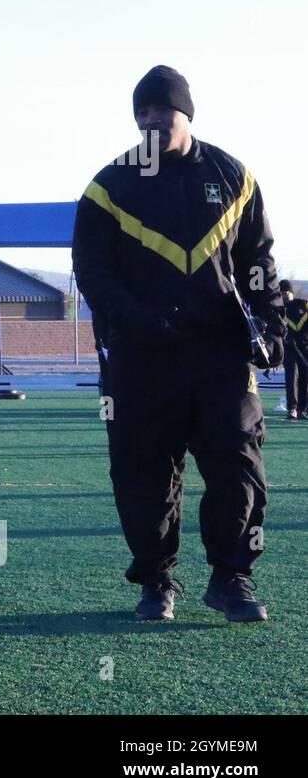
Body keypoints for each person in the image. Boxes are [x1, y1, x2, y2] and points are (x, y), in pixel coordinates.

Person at [72, 65, 284, 623]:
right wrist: (137, 322)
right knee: (143, 477)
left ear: (186, 114)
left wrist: (271, 323)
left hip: (220, 358)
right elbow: (93, 274)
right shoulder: (107, 187)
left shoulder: (234, 177)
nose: (151, 122)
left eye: (161, 112)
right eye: (141, 113)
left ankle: (231, 578)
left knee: (240, 470)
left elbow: (258, 262)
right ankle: (156, 582)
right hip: (141, 360)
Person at [282, 280, 308, 420]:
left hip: (304, 347)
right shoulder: (281, 309)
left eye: (286, 292)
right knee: (292, 376)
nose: (284, 296)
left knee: (305, 376)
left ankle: (302, 409)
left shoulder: (304, 305)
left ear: (290, 292)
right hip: (289, 347)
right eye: (281, 294)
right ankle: (292, 408)